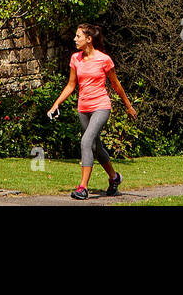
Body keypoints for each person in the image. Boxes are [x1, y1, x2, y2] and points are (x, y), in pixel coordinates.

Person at [47, 23, 136, 200]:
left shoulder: (104, 59)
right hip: (83, 107)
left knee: (86, 141)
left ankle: (83, 188)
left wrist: (128, 105)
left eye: (78, 36)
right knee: (95, 147)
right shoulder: (75, 59)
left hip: (101, 106)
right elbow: (71, 85)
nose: (75, 39)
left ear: (89, 39)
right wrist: (55, 104)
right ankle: (114, 177)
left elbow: (116, 84)